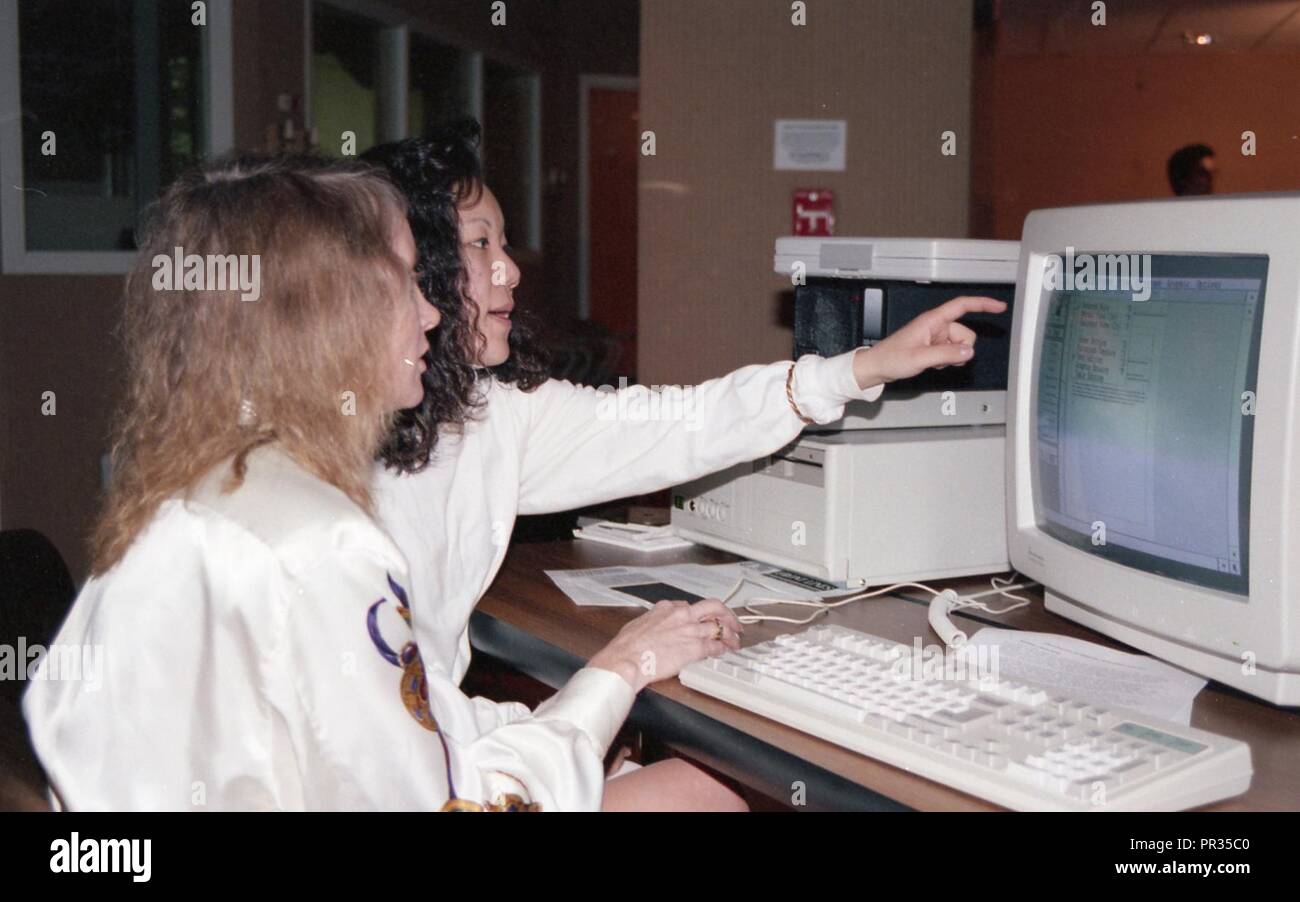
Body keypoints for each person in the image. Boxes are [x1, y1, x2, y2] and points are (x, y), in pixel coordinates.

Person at [22, 154, 742, 811]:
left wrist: (569, 718)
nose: (431, 313)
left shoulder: (182, 499)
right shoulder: (323, 544)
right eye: (405, 283)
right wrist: (618, 669)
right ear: (327, 320)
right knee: (705, 792)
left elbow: (387, 725)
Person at [363, 122, 1007, 809]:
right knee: (719, 787)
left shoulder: (485, 414)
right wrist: (621, 667)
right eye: (480, 243)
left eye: (504, 241)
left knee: (700, 781)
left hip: (442, 760)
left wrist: (862, 367)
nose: (511, 269)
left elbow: (679, 422)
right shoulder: (352, 499)